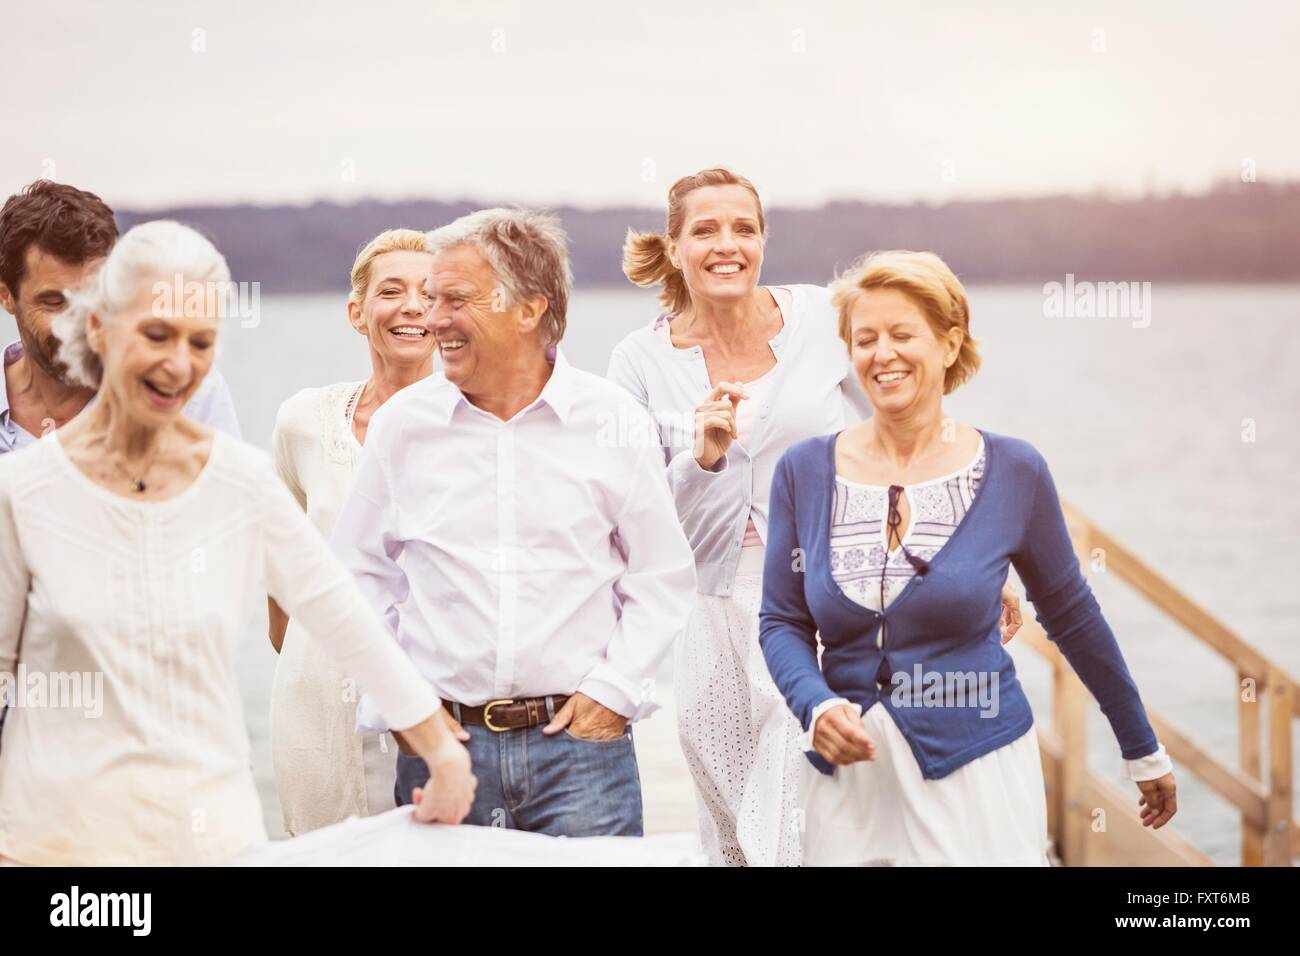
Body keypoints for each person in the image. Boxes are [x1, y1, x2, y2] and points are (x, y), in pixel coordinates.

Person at [0, 221, 474, 865]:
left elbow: (340, 616)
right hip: (57, 836)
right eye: (156, 335)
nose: (179, 364)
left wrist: (443, 753)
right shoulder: (23, 492)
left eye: (201, 342)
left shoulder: (238, 478)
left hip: (208, 829)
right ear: (100, 331)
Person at [608, 168, 1024, 865]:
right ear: (674, 246)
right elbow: (634, 511)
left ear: (764, 238)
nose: (727, 244)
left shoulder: (819, 322)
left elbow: (908, 438)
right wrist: (702, 460)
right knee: (721, 779)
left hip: (822, 587)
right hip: (704, 600)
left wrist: (969, 552)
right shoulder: (639, 360)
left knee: (796, 764)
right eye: (705, 230)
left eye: (744, 227)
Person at [758, 249, 1177, 866]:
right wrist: (814, 704)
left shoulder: (1014, 470)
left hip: (975, 773)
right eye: (865, 338)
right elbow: (783, 621)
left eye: (904, 334)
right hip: (848, 785)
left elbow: (1073, 616)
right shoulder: (804, 471)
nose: (882, 354)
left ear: (950, 345)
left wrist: (1141, 748)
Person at [330, 207, 697, 837]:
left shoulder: (612, 420)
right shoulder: (403, 426)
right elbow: (357, 575)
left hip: (584, 756)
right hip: (441, 752)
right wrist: (402, 703)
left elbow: (660, 576)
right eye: (431, 297)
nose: (433, 317)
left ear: (529, 309)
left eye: (456, 299)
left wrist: (613, 692)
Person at [268, 228, 437, 835]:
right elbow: (280, 566)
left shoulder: (472, 423)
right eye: (392, 291)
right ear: (357, 313)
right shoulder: (304, 421)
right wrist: (314, 661)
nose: (414, 306)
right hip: (315, 700)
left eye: (431, 292)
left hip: (430, 701)